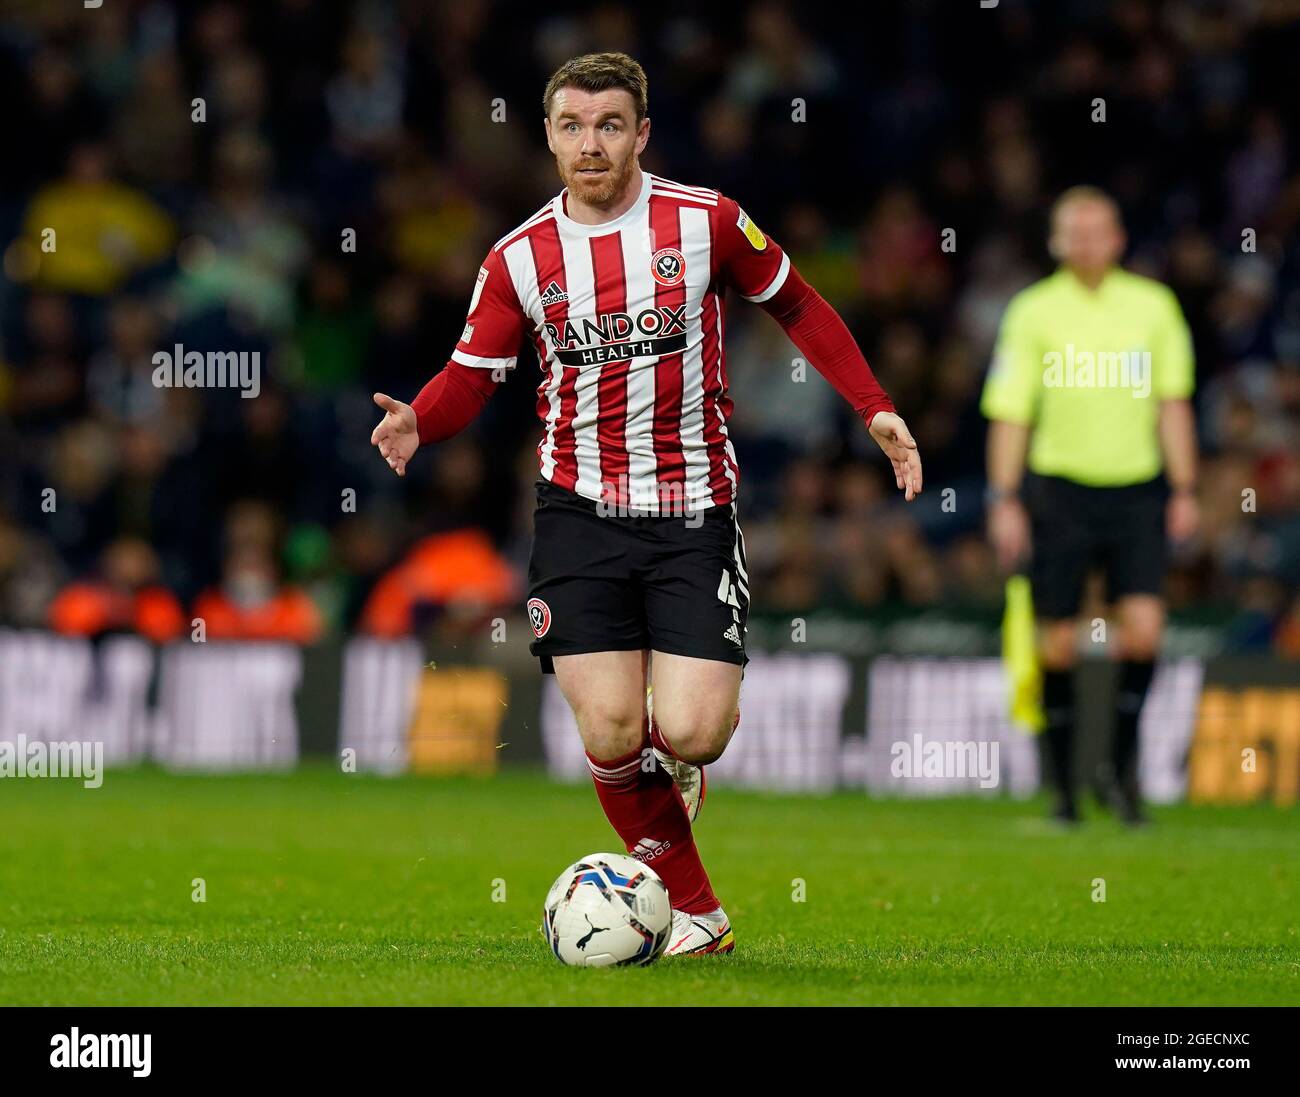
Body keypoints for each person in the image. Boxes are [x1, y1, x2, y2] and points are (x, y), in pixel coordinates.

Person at [371, 52, 922, 953]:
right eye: (573, 126)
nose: (592, 145)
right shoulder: (519, 257)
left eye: (611, 125)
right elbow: (474, 377)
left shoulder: (706, 223)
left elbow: (801, 304)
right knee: (613, 727)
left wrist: (876, 407)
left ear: (642, 134)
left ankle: (676, 779)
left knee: (693, 732)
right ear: (549, 136)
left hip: (693, 510)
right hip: (576, 512)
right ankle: (698, 914)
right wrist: (419, 424)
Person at [982, 186, 1198, 825]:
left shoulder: (1153, 306)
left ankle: (1120, 777)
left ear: (1119, 238)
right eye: (1072, 231)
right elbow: (1010, 413)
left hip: (1137, 489)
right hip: (1060, 491)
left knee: (1144, 629)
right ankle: (1066, 791)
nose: (1084, 241)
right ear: (1055, 241)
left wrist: (1184, 489)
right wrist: (1004, 498)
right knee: (1056, 642)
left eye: (1096, 229)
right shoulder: (1033, 311)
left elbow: (1173, 404)